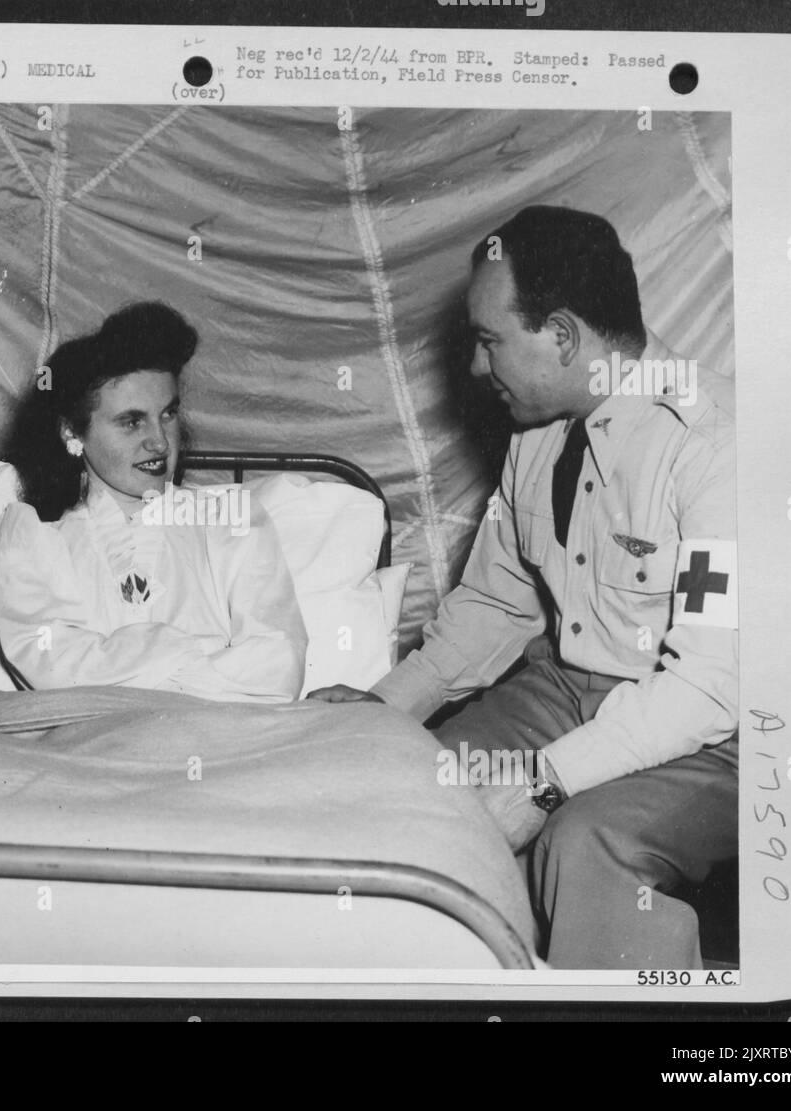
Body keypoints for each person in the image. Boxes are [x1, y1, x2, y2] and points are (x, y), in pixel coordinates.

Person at [310, 206, 738, 970]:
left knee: (587, 841)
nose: (476, 368)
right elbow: (494, 604)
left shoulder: (713, 445)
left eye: (488, 341)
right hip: (564, 688)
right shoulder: (534, 436)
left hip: (712, 731)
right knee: (418, 792)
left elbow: (706, 687)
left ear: (563, 336)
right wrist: (385, 709)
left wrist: (544, 784)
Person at [0, 303, 306, 703]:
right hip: (91, 745)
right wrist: (201, 654)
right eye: (132, 421)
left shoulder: (232, 520)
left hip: (227, 739)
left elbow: (278, 665)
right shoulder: (30, 535)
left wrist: (129, 666)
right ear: (72, 432)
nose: (159, 441)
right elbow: (58, 672)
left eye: (168, 414)